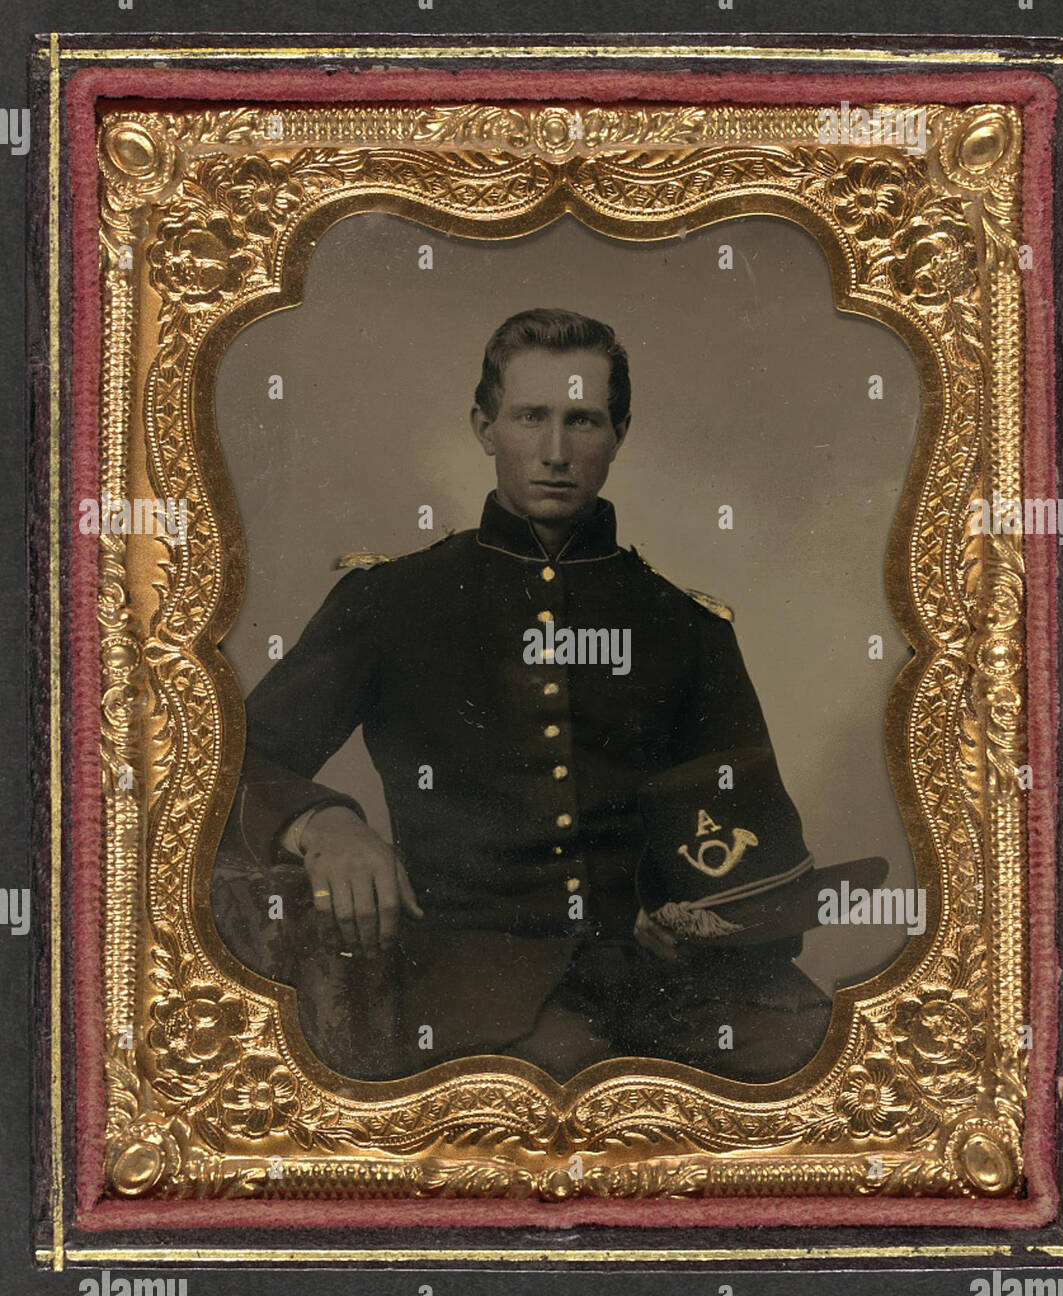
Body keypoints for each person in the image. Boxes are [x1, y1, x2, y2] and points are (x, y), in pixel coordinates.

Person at [214, 307, 832, 1081]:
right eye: (530, 416)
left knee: (837, 1067)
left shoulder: (686, 626)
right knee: (591, 1091)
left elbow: (753, 838)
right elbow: (228, 756)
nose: (553, 451)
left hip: (679, 984)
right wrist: (324, 822)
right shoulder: (392, 600)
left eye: (583, 422)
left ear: (619, 435)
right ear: (484, 427)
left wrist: (708, 918)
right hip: (481, 981)